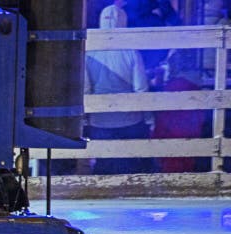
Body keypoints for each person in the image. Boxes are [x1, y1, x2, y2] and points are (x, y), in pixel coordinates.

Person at [85, 2, 153, 174]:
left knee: (103, 165)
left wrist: (85, 118)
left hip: (99, 120)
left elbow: (86, 89)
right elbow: (141, 89)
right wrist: (149, 118)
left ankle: (101, 195)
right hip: (130, 119)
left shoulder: (89, 52)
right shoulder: (131, 52)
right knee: (129, 165)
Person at [152, 50, 210, 173]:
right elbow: (201, 115)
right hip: (190, 132)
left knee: (171, 164)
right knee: (187, 162)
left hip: (170, 134)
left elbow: (162, 116)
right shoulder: (194, 86)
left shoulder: (170, 87)